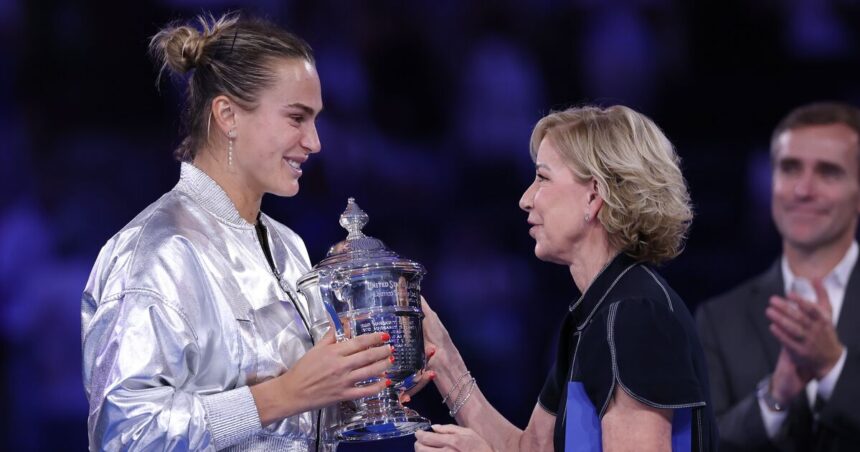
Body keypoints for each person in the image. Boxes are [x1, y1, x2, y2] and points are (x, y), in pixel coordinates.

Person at [80, 13, 395, 450]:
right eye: (296, 118)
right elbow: (124, 435)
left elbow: (296, 420)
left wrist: (363, 388)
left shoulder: (288, 246)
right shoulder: (154, 253)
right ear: (228, 114)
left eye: (316, 120)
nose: (315, 142)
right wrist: (284, 395)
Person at [414, 105, 718, 451]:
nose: (525, 199)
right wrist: (444, 358)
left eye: (542, 177)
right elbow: (530, 449)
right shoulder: (593, 314)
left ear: (594, 195)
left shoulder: (634, 315)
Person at [696, 102, 860, 451]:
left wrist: (833, 368)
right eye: (789, 168)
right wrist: (775, 397)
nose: (803, 190)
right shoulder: (719, 319)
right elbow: (703, 444)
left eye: (828, 172)